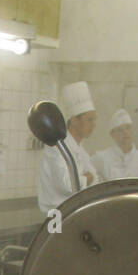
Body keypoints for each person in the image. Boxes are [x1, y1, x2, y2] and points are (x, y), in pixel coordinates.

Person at [37, 80, 98, 214]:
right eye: (89, 120)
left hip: (73, 213)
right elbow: (69, 185)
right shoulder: (56, 148)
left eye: (94, 120)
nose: (94, 125)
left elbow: (94, 178)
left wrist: (87, 178)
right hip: (56, 217)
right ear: (74, 121)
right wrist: (87, 178)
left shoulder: (81, 149)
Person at [92, 108, 138, 181]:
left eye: (128, 128)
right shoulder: (101, 158)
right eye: (120, 130)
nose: (125, 132)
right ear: (112, 134)